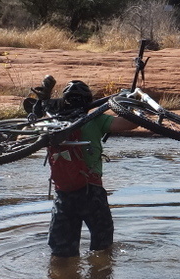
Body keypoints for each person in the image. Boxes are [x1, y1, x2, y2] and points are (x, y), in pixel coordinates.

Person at [46, 80, 138, 258]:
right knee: (102, 249)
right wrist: (130, 104)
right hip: (91, 190)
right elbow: (130, 124)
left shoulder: (53, 122)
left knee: (61, 254)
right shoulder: (96, 119)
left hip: (63, 194)